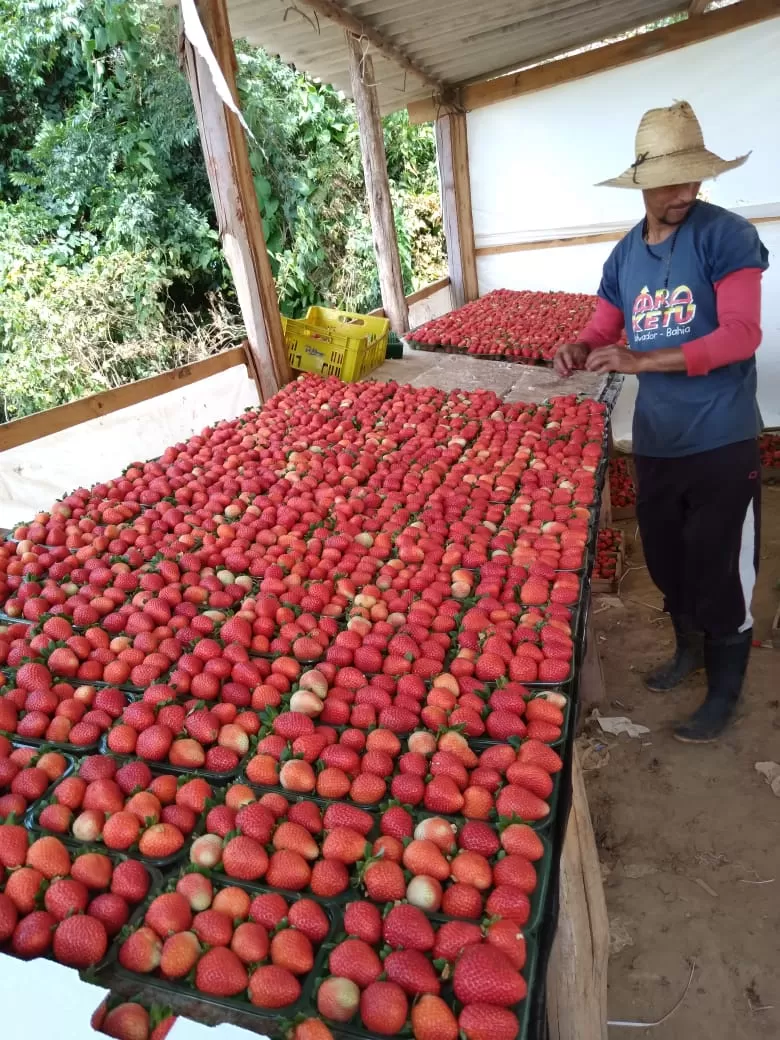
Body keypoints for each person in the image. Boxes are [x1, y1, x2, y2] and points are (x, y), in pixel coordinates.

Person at [554, 101, 768, 743]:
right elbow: (603, 325)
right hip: (658, 441)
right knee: (670, 561)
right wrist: (577, 345)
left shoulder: (725, 235)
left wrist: (643, 358)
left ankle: (725, 689)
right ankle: (690, 651)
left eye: (693, 177)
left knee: (722, 564)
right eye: (670, 180)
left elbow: (742, 335)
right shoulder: (625, 255)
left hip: (721, 436)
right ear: (643, 182)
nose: (684, 192)